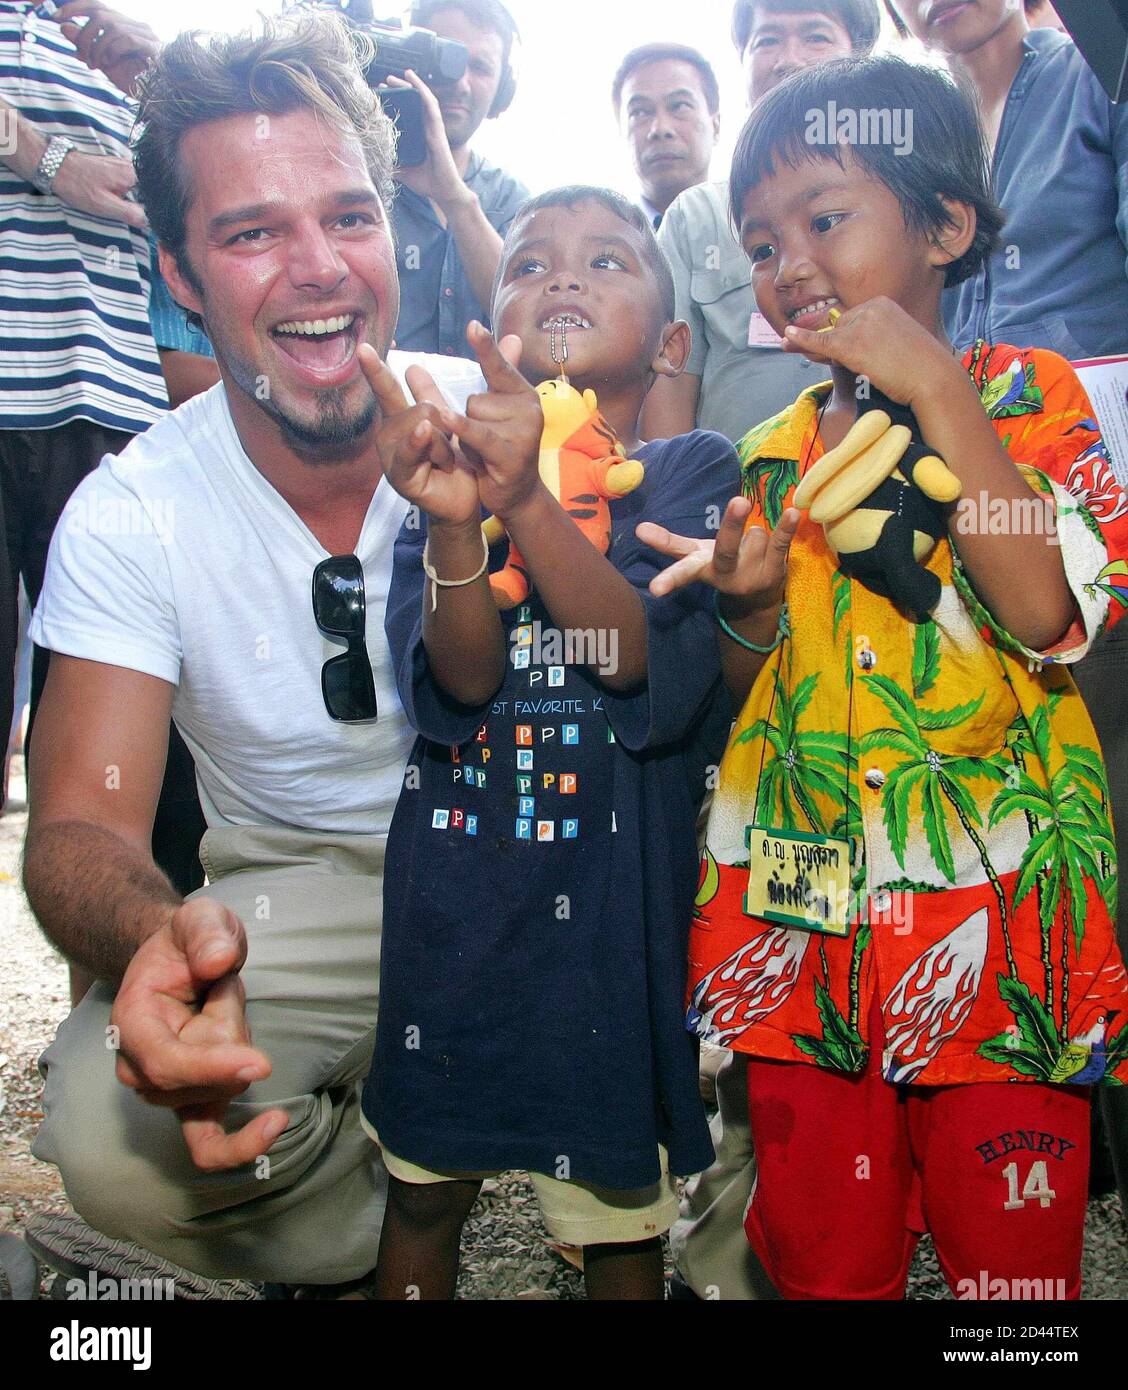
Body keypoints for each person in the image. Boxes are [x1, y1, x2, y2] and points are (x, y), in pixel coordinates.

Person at [645, 54, 1128, 1301]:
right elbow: (741, 686)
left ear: (947, 225)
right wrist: (746, 607)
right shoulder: (767, 459)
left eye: (824, 219)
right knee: (822, 1260)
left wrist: (940, 397)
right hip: (806, 946)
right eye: (760, 243)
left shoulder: (1036, 403)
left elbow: (1049, 618)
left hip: (1003, 940)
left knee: (1011, 1273)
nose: (787, 260)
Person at [23, 14, 486, 1292]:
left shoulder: (505, 429)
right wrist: (163, 934)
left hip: (522, 858)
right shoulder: (133, 509)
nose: (317, 269)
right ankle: (409, 1187)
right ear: (177, 269)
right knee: (115, 1143)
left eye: (346, 216)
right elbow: (79, 828)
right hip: (299, 891)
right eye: (251, 233)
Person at [359, 186, 739, 1300]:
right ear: (493, 325)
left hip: (617, 930)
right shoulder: (436, 472)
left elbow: (630, 661)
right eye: (529, 263)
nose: (564, 277)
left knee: (619, 1218)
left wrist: (522, 497)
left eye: (609, 260)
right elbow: (463, 680)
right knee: (424, 1191)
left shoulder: (689, 475)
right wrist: (450, 517)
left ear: (672, 344)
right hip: (453, 910)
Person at [890, 0, 1128, 1237]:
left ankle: (1087, 1094)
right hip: (944, 480)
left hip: (1079, 466)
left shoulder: (1089, 75)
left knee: (1100, 787)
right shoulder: (910, 114)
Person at [642, 0, 880, 445]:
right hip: (737, 505)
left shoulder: (902, 198)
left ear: (861, 58)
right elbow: (668, 394)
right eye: (767, 40)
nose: (788, 59)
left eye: (815, 36)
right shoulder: (696, 217)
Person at [388, 0, 528, 357]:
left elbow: (525, 314)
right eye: (446, 58)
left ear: (503, 87)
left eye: (480, 67)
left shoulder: (515, 201)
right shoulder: (355, 184)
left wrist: (455, 198)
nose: (460, 83)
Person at [611, 43, 721, 230]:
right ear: (622, 130)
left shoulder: (753, 231)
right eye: (639, 112)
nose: (660, 129)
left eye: (679, 106)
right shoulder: (605, 247)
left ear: (716, 125)